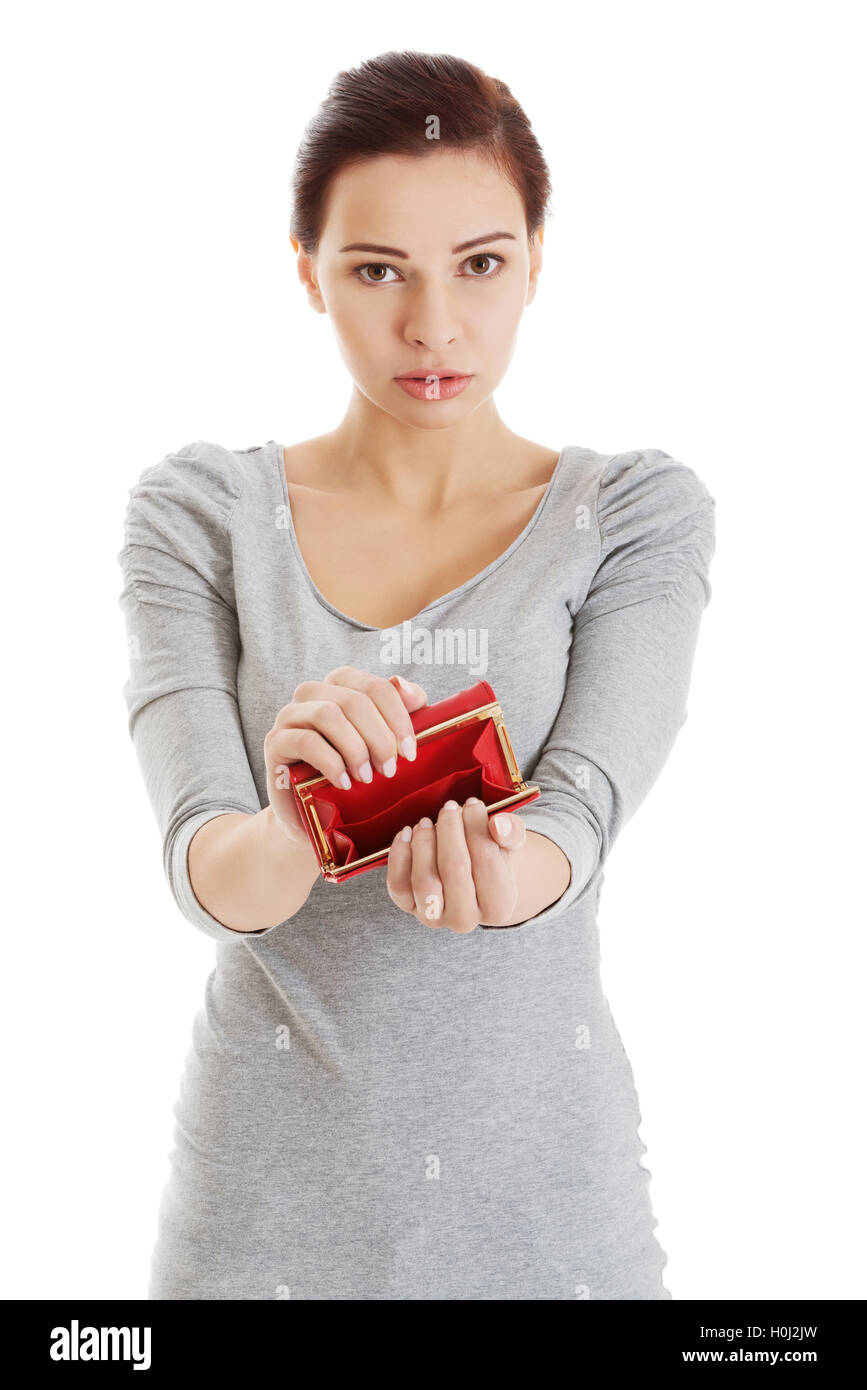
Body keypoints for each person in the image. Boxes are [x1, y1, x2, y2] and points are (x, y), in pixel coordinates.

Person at [118, 49, 716, 1300]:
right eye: (376, 269)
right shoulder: (200, 516)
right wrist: (292, 827)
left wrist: (512, 877)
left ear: (538, 261)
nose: (433, 327)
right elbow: (201, 861)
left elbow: (584, 808)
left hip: (550, 1213)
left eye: (481, 265)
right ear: (308, 272)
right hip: (259, 1218)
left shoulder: (631, 514)